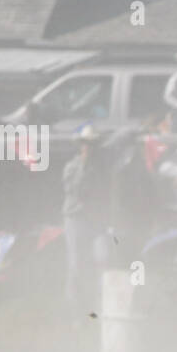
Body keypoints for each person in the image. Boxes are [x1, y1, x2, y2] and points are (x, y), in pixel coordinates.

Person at [62, 125, 112, 320]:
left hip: (96, 220)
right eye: (86, 144)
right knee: (77, 265)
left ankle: (100, 307)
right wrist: (84, 166)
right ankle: (76, 313)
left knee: (104, 257)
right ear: (81, 146)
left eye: (92, 144)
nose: (89, 148)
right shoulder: (71, 167)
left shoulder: (102, 167)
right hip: (76, 219)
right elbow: (76, 191)